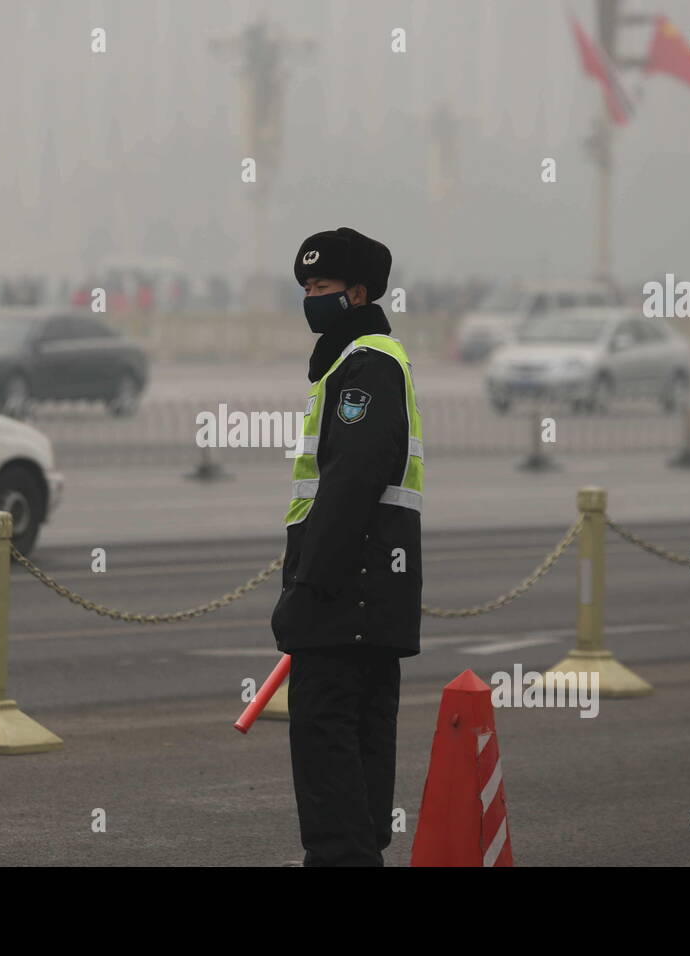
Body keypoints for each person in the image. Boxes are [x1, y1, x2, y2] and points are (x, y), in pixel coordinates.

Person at [270, 227, 423, 866]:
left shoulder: (367, 364)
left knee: (332, 763)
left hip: (345, 604)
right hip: (363, 605)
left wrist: (307, 590)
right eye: (305, 286)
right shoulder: (355, 361)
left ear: (357, 293)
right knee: (357, 769)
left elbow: (350, 485)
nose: (311, 298)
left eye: (323, 287)